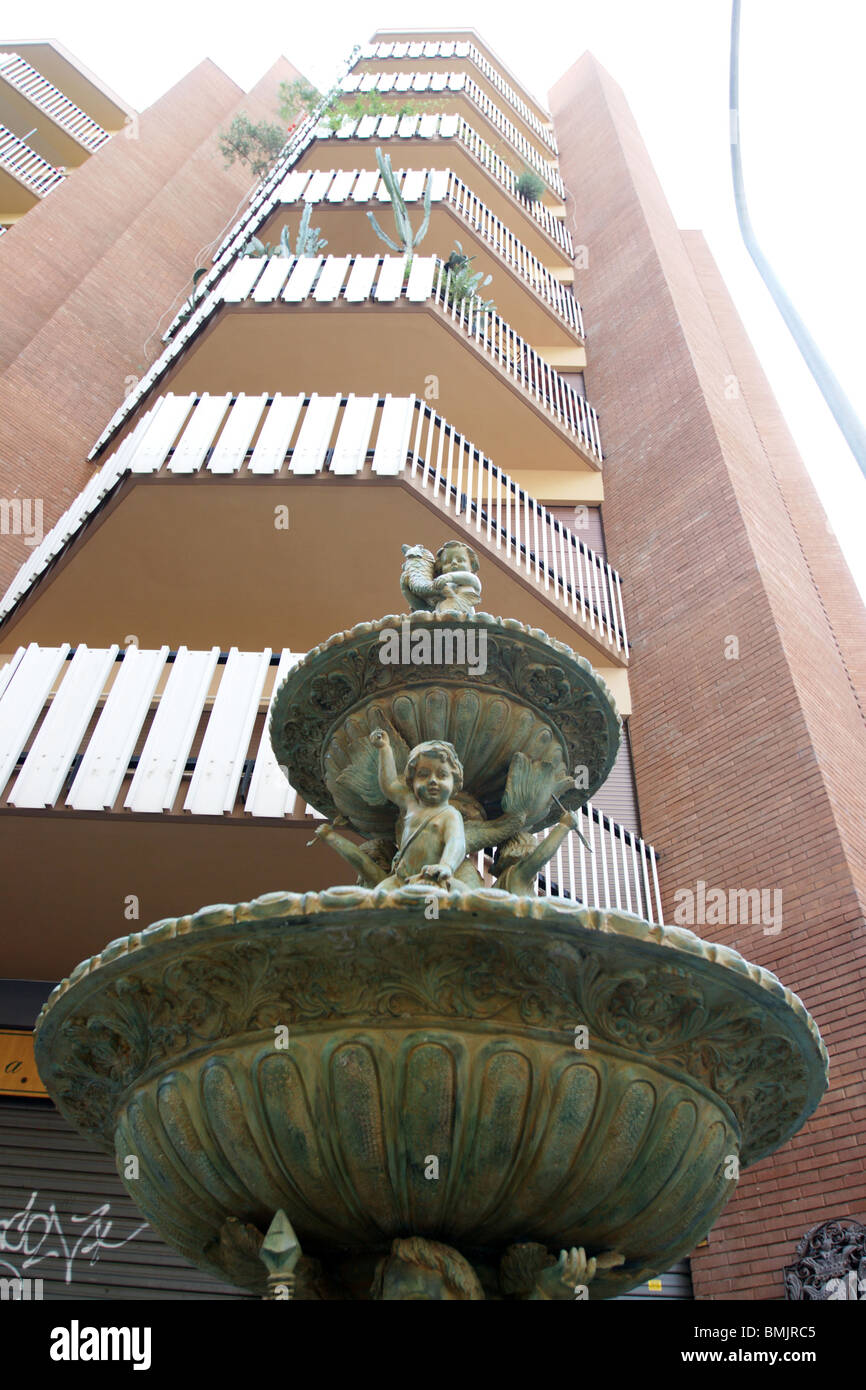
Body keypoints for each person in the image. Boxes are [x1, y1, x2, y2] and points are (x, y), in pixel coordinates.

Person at [370, 729, 467, 889]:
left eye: (442, 775)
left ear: (455, 780)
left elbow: (456, 843)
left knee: (440, 909)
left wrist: (446, 866)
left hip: (433, 879)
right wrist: (384, 748)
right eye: (423, 774)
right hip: (401, 879)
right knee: (377, 898)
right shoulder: (411, 803)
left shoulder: (450, 815)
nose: (433, 781)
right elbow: (389, 785)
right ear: (412, 780)